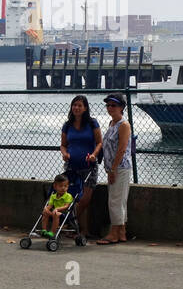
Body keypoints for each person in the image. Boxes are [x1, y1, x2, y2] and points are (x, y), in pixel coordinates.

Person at [59, 95, 102, 235]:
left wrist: (94, 154)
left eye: (79, 105)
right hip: (71, 167)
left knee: (84, 200)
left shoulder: (92, 123)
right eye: (74, 105)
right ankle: (82, 230)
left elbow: (99, 142)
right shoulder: (67, 125)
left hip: (89, 166)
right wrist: (64, 154)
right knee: (73, 198)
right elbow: (63, 145)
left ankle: (66, 221)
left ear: (85, 108)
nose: (76, 108)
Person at [97, 94, 132, 244]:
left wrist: (113, 169)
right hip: (114, 167)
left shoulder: (123, 125)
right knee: (120, 200)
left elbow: (122, 149)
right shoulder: (112, 123)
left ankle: (113, 233)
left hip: (120, 167)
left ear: (122, 108)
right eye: (108, 105)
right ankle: (122, 232)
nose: (110, 108)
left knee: (115, 201)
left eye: (114, 105)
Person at [39, 174, 73, 238]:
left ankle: (52, 232)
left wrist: (57, 209)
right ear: (55, 187)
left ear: (68, 186)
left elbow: (66, 206)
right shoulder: (53, 196)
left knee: (56, 213)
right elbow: (50, 205)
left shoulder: (68, 196)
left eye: (65, 186)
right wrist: (46, 208)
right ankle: (44, 230)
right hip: (53, 213)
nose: (63, 188)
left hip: (64, 215)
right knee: (45, 212)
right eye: (60, 186)